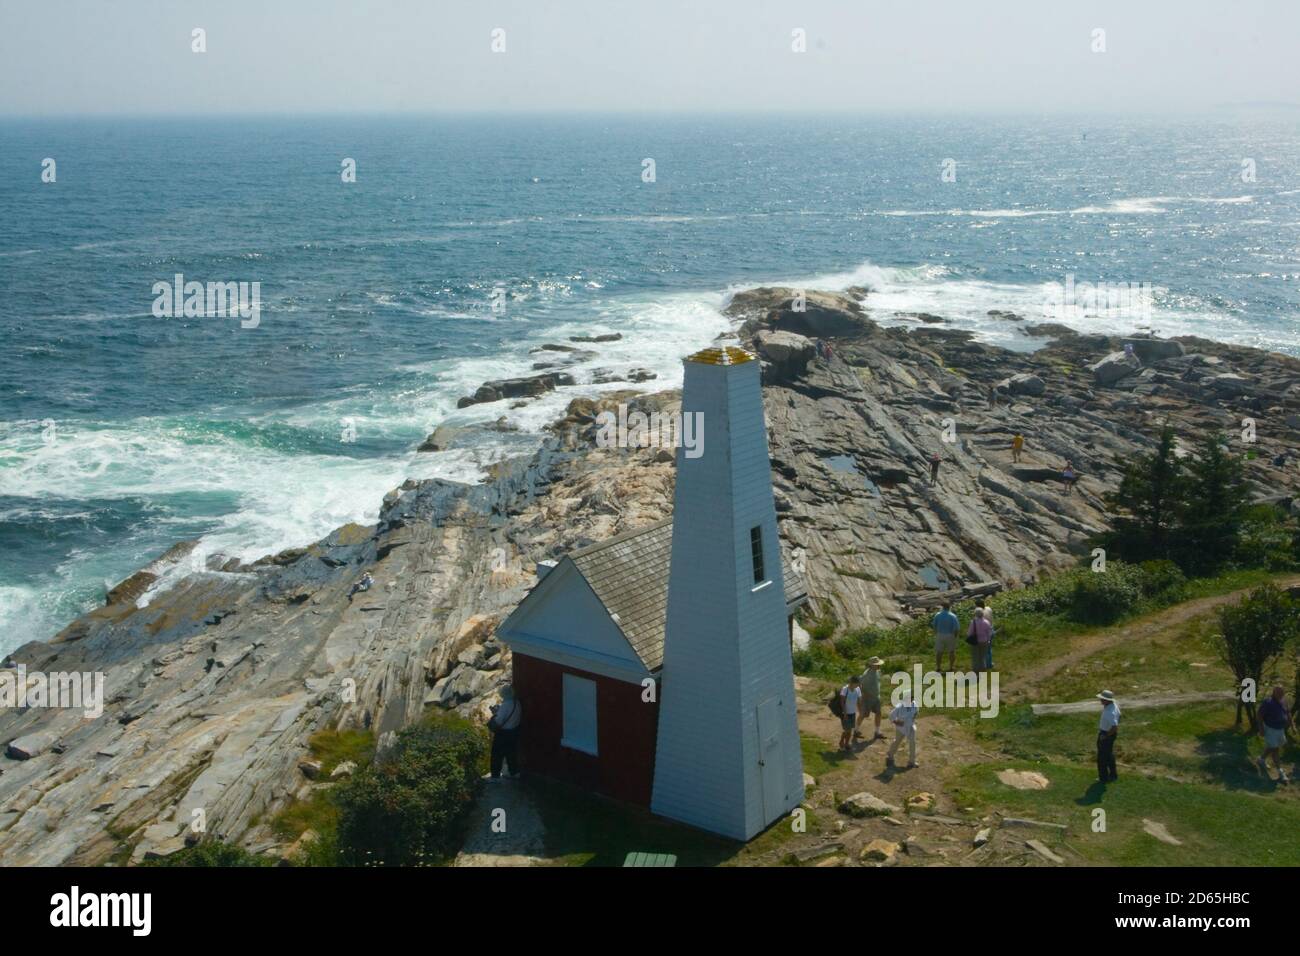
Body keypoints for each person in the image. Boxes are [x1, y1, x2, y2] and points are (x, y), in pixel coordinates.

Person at [1257, 685, 1293, 783]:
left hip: (1280, 729)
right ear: (1274, 692)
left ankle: (1261, 759)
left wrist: (1292, 726)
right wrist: (1261, 729)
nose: (1281, 695)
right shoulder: (1268, 702)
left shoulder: (1284, 701)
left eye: (1282, 693)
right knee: (1275, 750)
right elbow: (1259, 715)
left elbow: (1288, 713)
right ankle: (1281, 772)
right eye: (1279, 693)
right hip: (1270, 729)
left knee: (1273, 746)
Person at [487, 684, 523, 781]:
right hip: (514, 732)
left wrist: (495, 713)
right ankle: (514, 772)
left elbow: (498, 721)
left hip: (503, 733)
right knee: (511, 753)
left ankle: (495, 776)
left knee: (497, 754)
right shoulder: (517, 703)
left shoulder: (506, 705)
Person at [855, 657, 886, 741]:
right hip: (867, 699)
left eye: (878, 664)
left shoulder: (877, 672)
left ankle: (877, 732)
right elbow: (858, 683)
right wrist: (863, 693)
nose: (879, 666)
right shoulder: (867, 674)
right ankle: (856, 730)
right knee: (862, 715)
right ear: (871, 665)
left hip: (876, 697)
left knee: (879, 713)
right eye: (877, 665)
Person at [886, 692, 919, 769]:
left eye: (911, 699)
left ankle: (912, 761)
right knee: (897, 741)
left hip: (910, 726)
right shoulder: (899, 707)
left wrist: (913, 718)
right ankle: (890, 754)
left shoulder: (914, 704)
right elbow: (891, 716)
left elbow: (916, 712)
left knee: (912, 743)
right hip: (901, 728)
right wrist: (896, 722)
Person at [1097, 689, 1120, 783]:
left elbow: (1114, 727)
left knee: (1102, 758)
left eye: (1102, 699)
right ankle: (1113, 775)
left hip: (1106, 734)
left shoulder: (1109, 712)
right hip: (1110, 734)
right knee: (1109, 755)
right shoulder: (1113, 705)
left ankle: (1103, 778)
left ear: (1107, 700)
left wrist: (1105, 736)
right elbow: (1119, 716)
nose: (1100, 700)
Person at [932, 602, 959, 672]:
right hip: (950, 635)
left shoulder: (937, 615)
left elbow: (934, 625)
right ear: (949, 607)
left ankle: (938, 667)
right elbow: (956, 628)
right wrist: (955, 636)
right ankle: (951, 667)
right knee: (951, 652)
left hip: (940, 634)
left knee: (939, 652)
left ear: (942, 607)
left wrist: (936, 633)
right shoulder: (953, 616)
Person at [839, 675, 863, 751]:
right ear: (852, 683)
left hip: (853, 713)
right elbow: (842, 702)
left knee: (849, 730)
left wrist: (860, 711)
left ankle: (846, 744)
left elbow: (859, 701)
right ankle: (842, 741)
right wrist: (845, 713)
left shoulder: (858, 689)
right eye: (857, 683)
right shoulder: (845, 689)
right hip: (845, 713)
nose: (859, 685)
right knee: (847, 730)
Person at [967, 607, 992, 674]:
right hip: (984, 641)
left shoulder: (973, 622)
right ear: (982, 614)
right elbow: (989, 633)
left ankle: (976, 671)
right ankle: (983, 670)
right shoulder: (987, 622)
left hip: (975, 642)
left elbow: (969, 633)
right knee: (982, 657)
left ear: (975, 614)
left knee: (975, 657)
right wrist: (988, 640)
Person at [975, 598, 994, 670]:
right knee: (989, 649)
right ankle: (990, 663)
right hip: (991, 629)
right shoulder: (989, 609)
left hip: (984, 633)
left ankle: (986, 664)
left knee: (984, 650)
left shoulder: (980, 613)